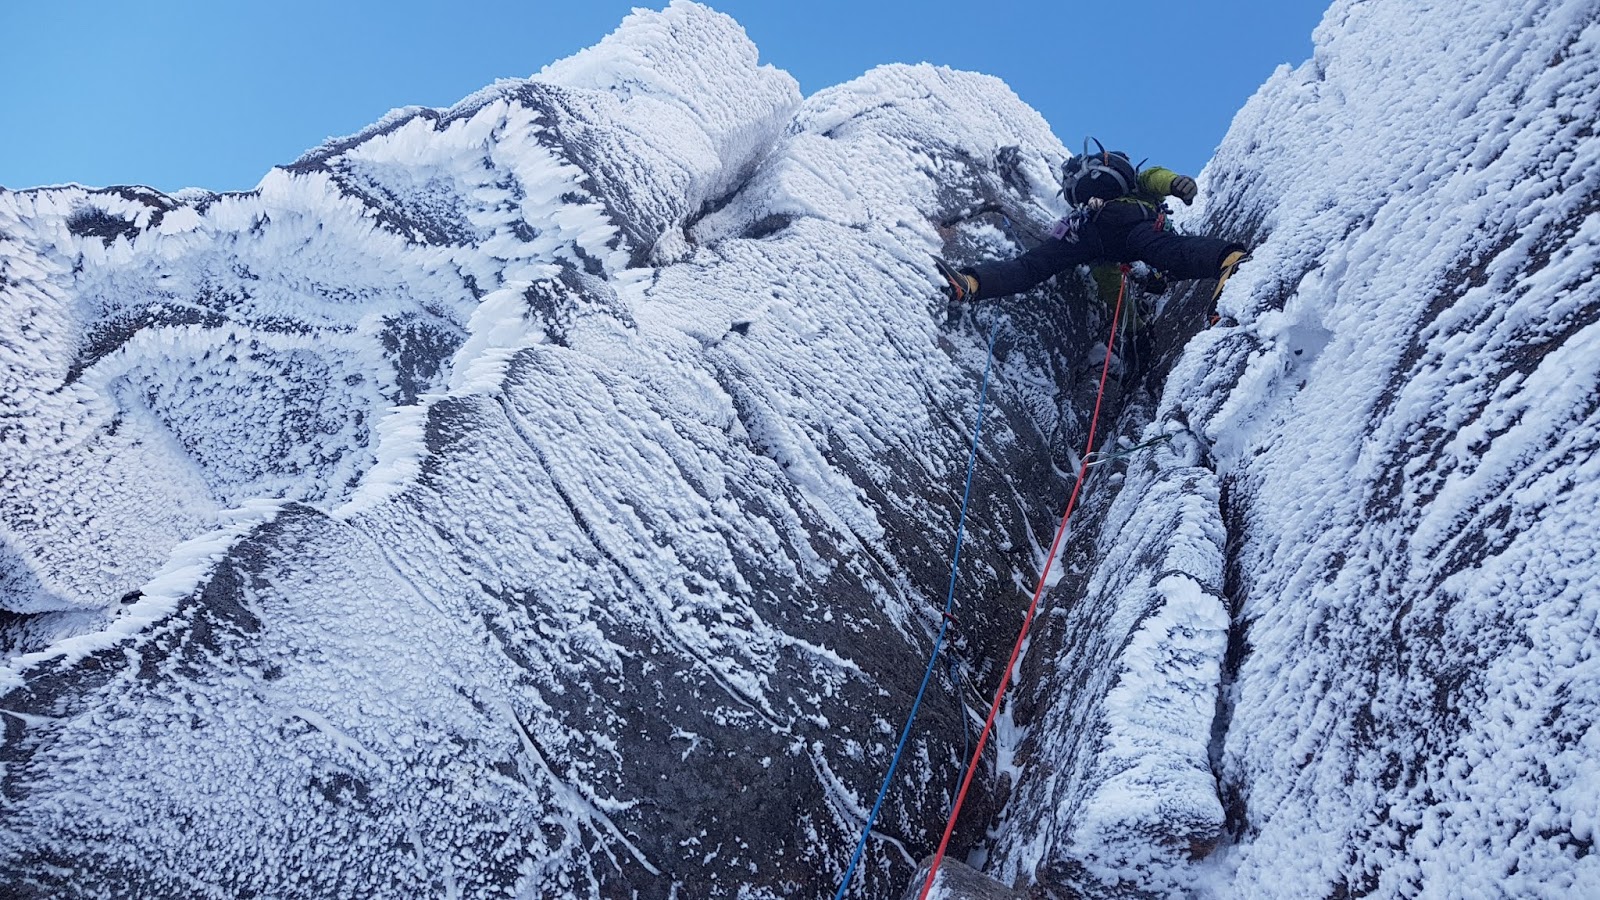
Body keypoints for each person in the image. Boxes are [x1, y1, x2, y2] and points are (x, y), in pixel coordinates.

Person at [936, 143, 1247, 312]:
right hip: (1129, 226)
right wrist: (1176, 184)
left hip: (1088, 233)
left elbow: (1107, 280)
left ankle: (971, 284)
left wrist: (1129, 320)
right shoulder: (1136, 192)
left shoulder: (1092, 209)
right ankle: (1227, 259)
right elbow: (1153, 177)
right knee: (1166, 250)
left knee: (1033, 265)